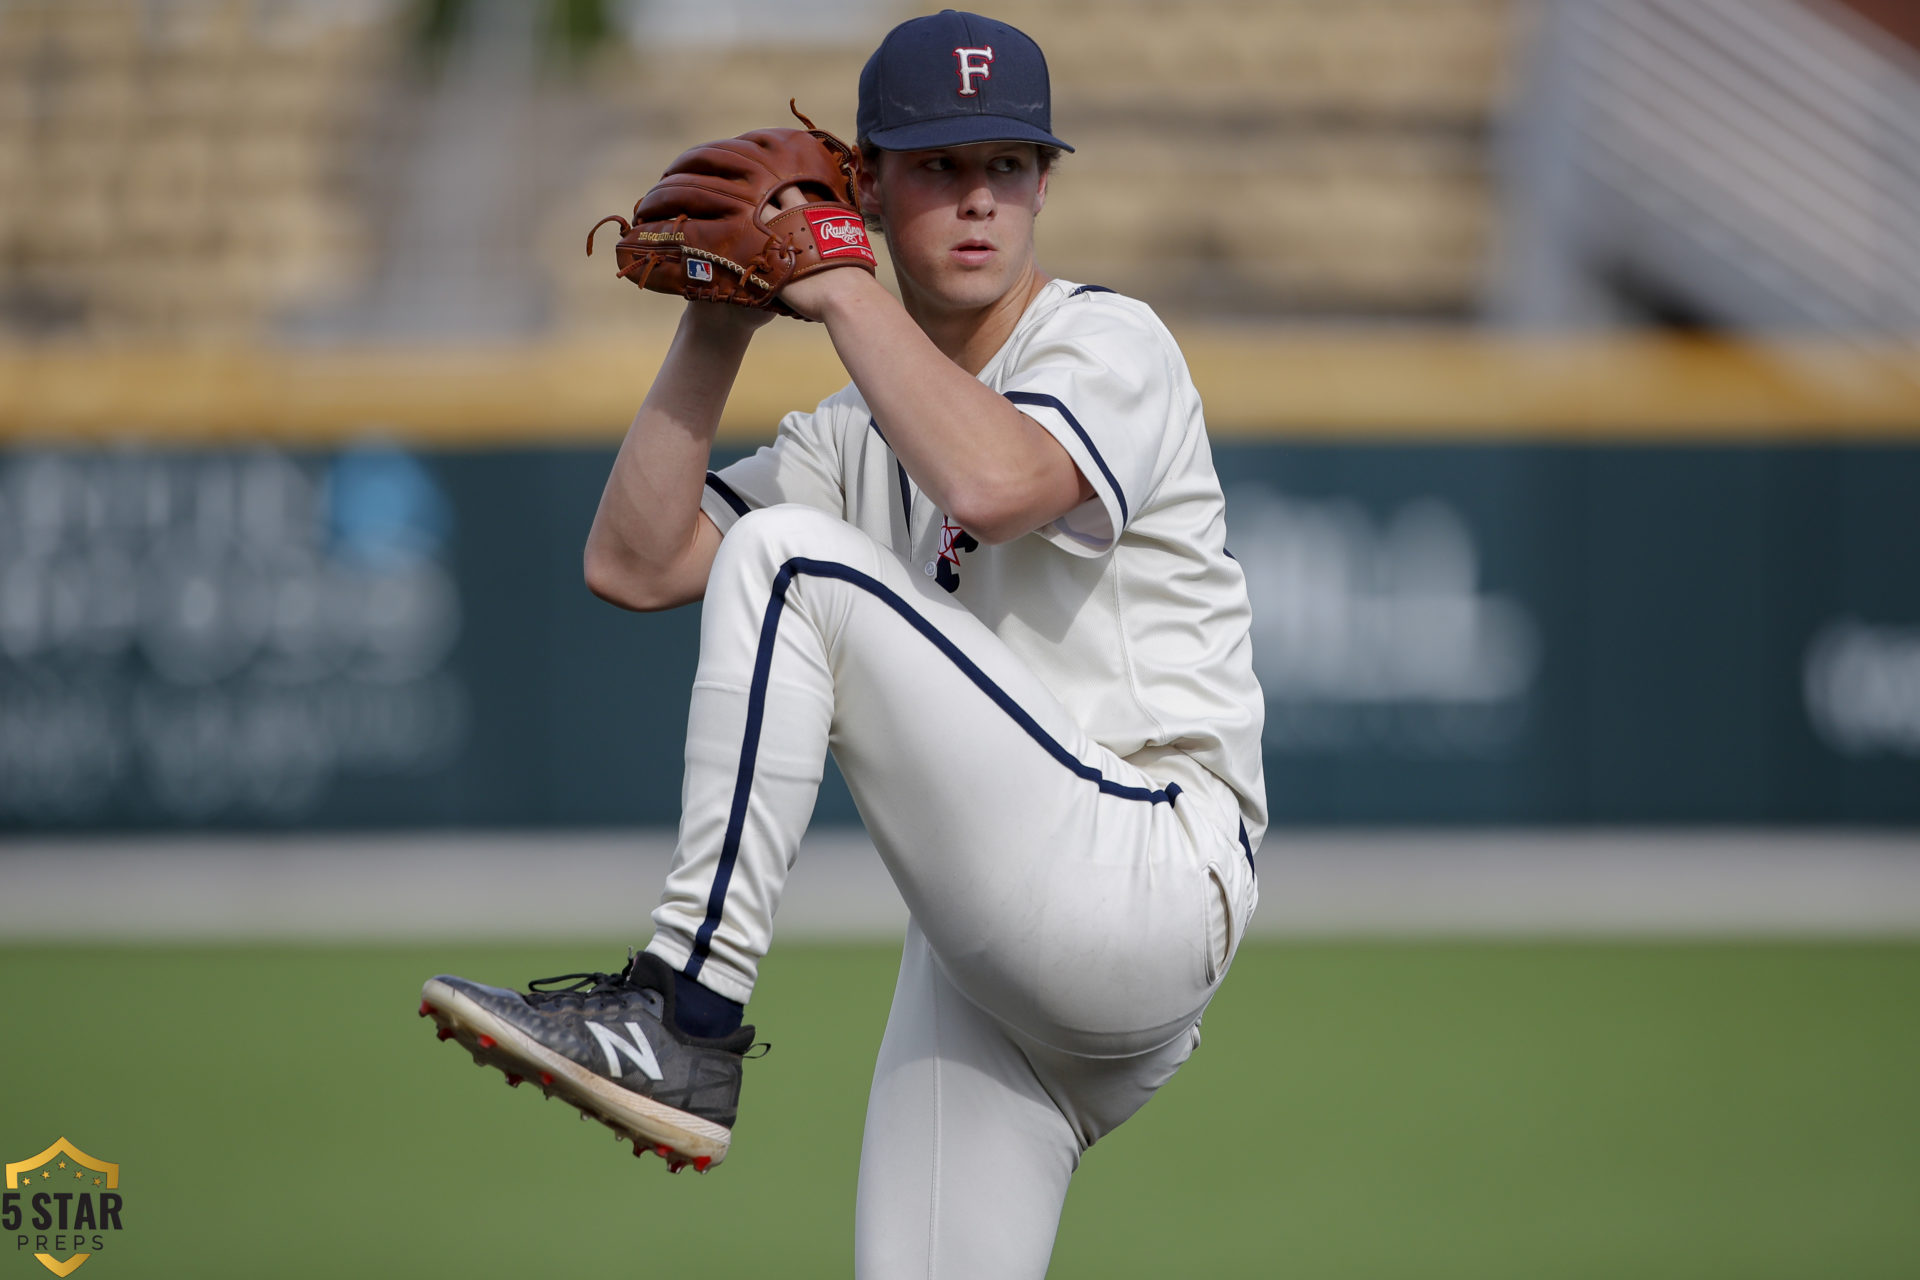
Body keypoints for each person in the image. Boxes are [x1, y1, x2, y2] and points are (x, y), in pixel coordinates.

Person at [420, 10, 1264, 1276]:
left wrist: (837, 281)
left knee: (787, 559)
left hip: (1146, 872)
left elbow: (990, 477)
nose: (981, 202)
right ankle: (680, 1019)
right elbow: (634, 562)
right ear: (863, 184)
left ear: (1045, 183)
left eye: (1011, 167)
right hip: (994, 959)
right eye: (940, 167)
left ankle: (682, 1010)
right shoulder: (842, 439)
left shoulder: (1109, 342)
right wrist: (722, 317)